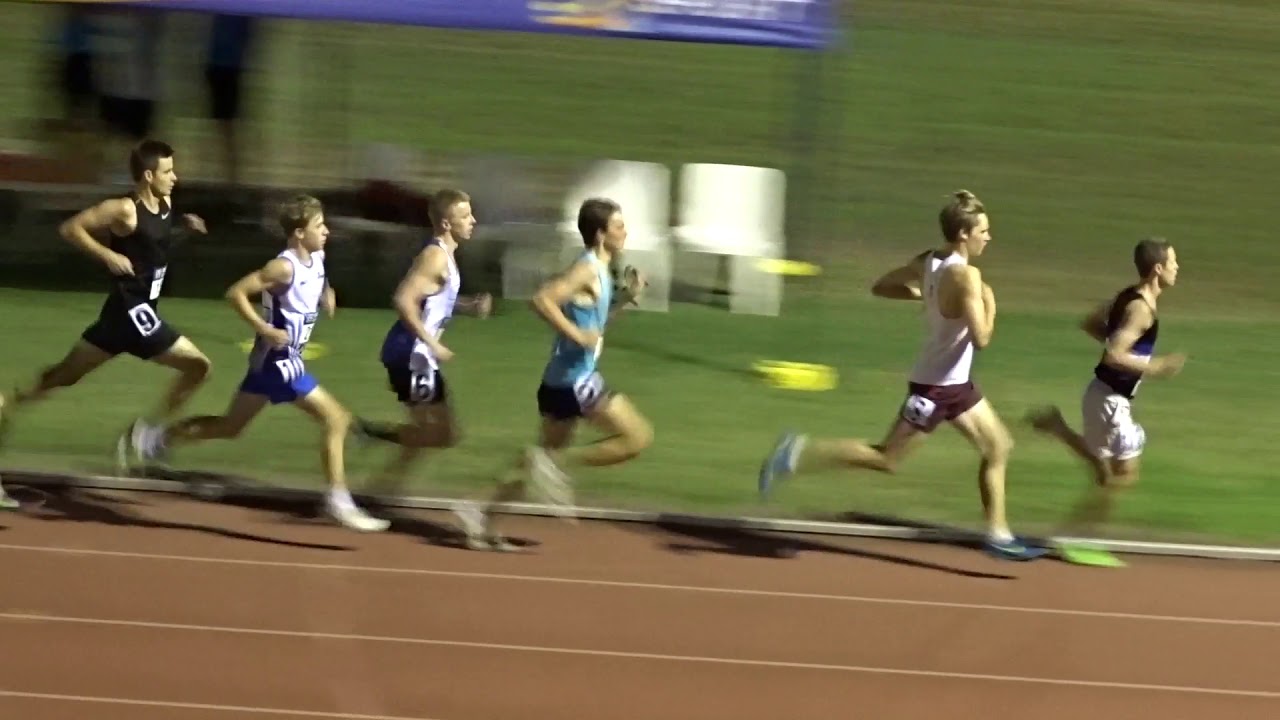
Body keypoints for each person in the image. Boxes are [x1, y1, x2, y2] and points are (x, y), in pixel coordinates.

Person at [758, 190, 1048, 560]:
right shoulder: (968, 278)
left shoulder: (929, 260)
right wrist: (990, 303)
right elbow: (983, 337)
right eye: (983, 230)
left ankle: (998, 535)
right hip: (934, 389)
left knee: (999, 446)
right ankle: (796, 453)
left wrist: (926, 299)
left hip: (955, 384)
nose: (988, 237)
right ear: (964, 234)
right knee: (886, 459)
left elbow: (882, 286)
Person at [122, 194, 389, 532]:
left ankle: (154, 439)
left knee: (231, 427)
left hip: (270, 365)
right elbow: (235, 293)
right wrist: (263, 327)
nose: (327, 232)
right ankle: (338, 500)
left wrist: (326, 293)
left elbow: (318, 277)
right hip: (280, 362)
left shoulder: (316, 256)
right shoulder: (282, 266)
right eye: (319, 226)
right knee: (336, 419)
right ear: (298, 233)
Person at [451, 197, 653, 550]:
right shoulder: (588, 268)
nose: (625, 232)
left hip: (560, 381)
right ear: (601, 234)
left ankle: (478, 512)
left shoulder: (602, 272)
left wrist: (625, 299)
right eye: (618, 226)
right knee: (637, 438)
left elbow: (597, 327)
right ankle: (553, 463)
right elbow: (542, 299)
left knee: (538, 459)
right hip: (577, 382)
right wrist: (576, 335)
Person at [0, 140, 211, 477]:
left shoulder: (166, 202)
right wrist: (108, 255)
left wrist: (183, 230)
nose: (175, 177)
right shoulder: (123, 209)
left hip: (116, 316)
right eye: (168, 171)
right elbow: (71, 228)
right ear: (147, 175)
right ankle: (147, 434)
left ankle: (9, 402)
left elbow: (154, 247)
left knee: (63, 376)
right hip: (134, 314)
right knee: (199, 367)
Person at [1024, 238, 1184, 567]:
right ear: (1158, 269)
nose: (1177, 268)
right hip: (1111, 401)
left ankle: (1058, 428)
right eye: (1173, 263)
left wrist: (1122, 345)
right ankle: (1073, 537)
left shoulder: (1128, 296)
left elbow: (1092, 324)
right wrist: (1154, 366)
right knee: (1123, 477)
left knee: (1104, 474)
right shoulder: (1141, 308)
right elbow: (1114, 354)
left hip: (1101, 396)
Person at [347, 189, 494, 533]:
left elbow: (432, 300)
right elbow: (403, 300)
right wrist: (431, 343)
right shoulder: (436, 256)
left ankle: (376, 489)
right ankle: (372, 451)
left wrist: (467, 306)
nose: (473, 221)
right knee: (440, 434)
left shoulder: (446, 257)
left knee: (434, 434)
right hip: (411, 356)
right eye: (465, 216)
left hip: (418, 358)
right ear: (446, 222)